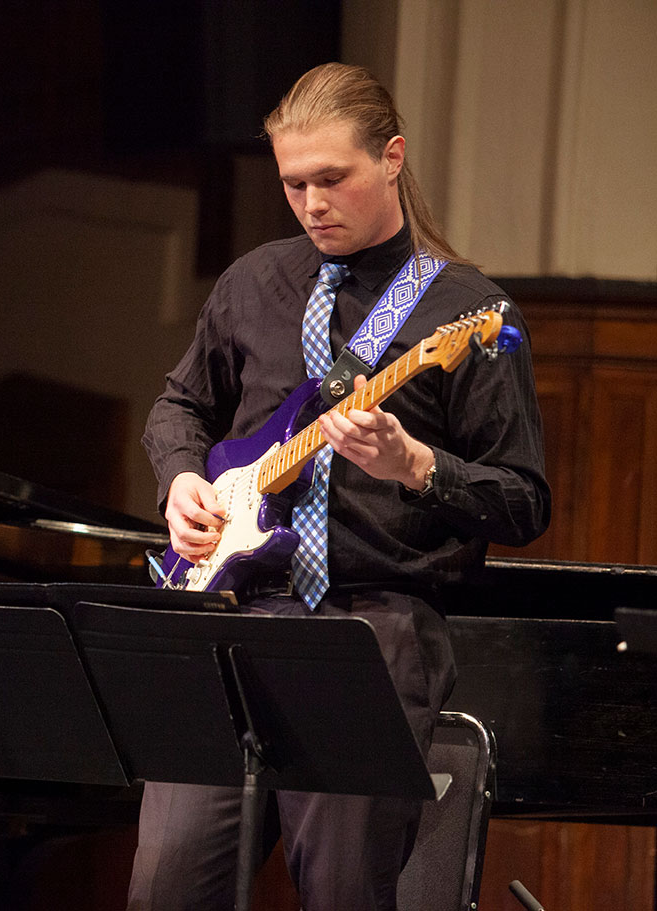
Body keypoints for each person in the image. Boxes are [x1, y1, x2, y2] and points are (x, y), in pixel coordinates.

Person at [128, 63, 550, 911]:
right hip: (232, 617)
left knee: (344, 894)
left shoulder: (468, 311)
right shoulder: (253, 283)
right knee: (166, 887)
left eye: (333, 179)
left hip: (374, 629)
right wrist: (179, 480)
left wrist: (417, 466)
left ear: (392, 158)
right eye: (294, 184)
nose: (312, 202)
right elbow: (178, 406)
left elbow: (524, 500)